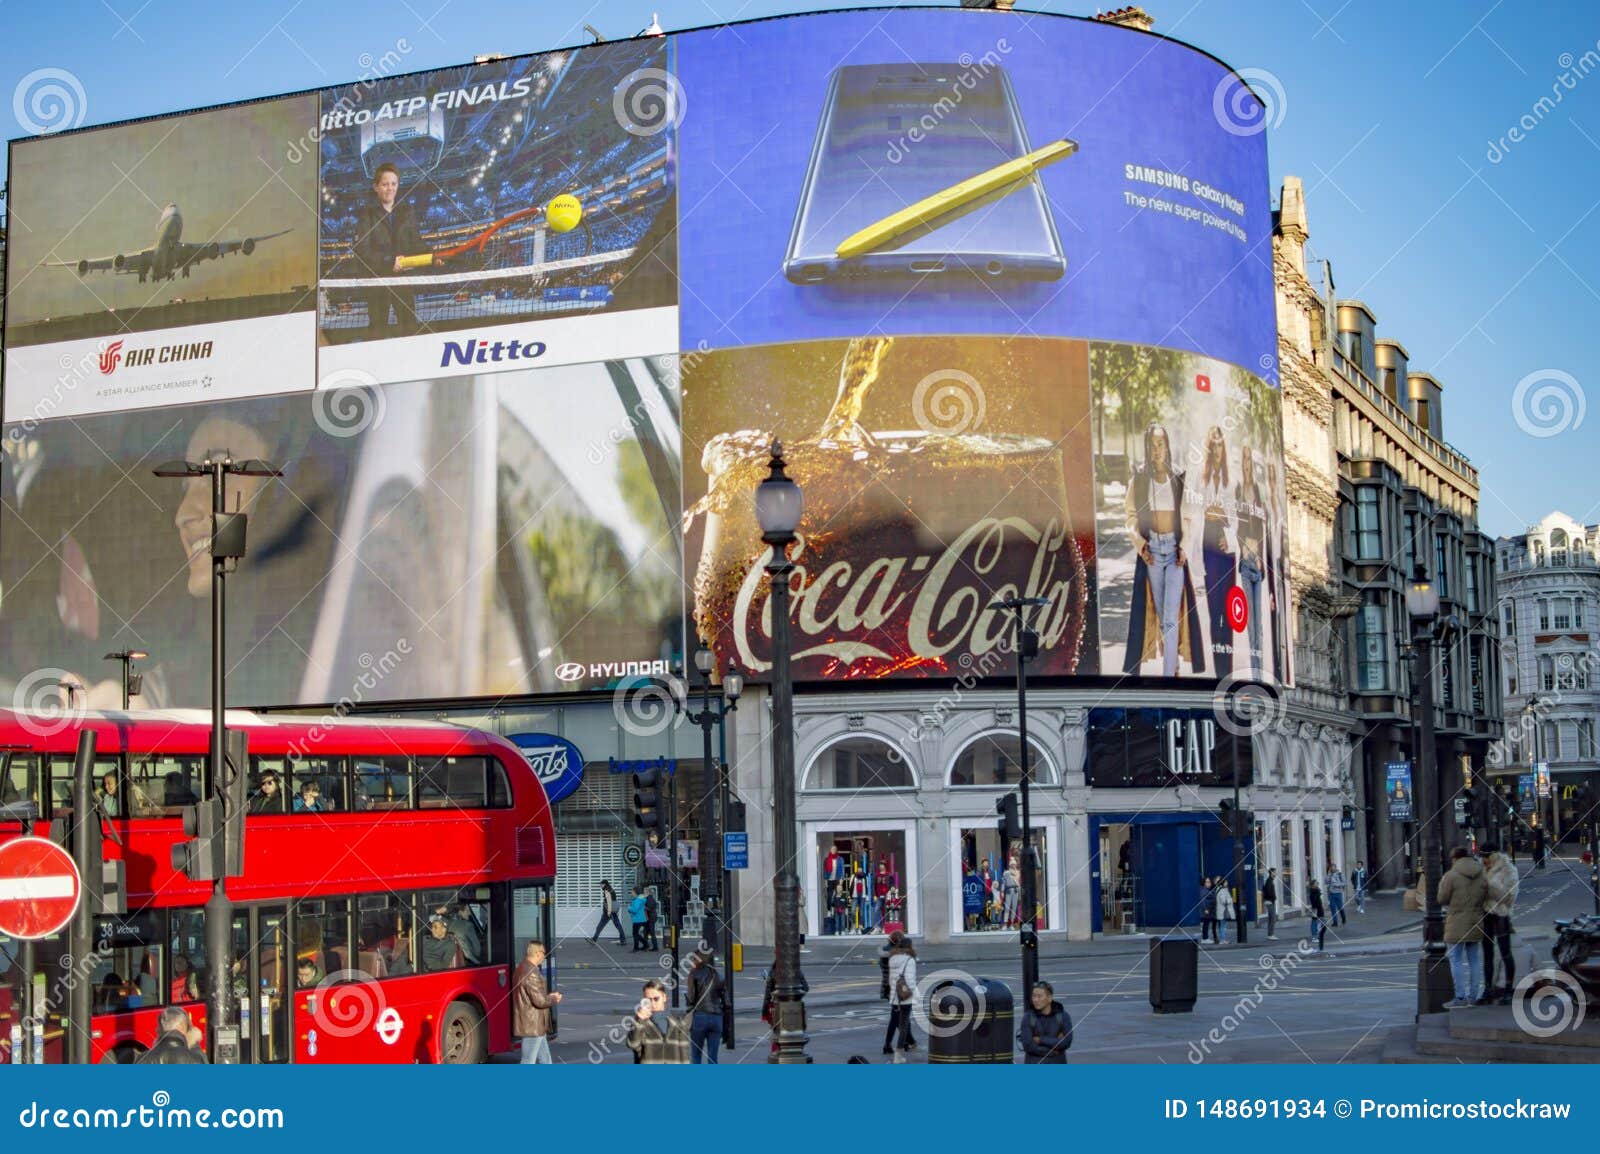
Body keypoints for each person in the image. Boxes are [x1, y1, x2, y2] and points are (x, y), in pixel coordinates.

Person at [1123, 422, 1205, 677]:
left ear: (1167, 446)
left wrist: (1184, 547)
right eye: (1152, 444)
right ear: (1147, 448)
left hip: (1174, 552)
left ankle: (1169, 676)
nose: (1157, 449)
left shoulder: (1179, 478)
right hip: (1152, 554)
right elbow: (1130, 516)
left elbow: (1190, 517)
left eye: (1161, 443)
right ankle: (1175, 666)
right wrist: (1140, 543)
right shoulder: (1138, 479)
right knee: (1160, 614)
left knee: (1171, 616)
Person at [352, 161, 429, 338]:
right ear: (376, 187)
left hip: (403, 282)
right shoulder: (367, 215)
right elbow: (361, 250)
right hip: (378, 284)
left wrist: (433, 256)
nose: (390, 188)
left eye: (393, 184)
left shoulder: (407, 211)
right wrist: (389, 261)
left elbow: (416, 242)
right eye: (385, 184)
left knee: (410, 328)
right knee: (377, 331)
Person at [1197, 425, 1238, 678]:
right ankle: (1218, 670)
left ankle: (1229, 670)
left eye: (1220, 444)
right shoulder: (1201, 479)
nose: (1217, 449)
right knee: (1214, 610)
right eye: (1213, 445)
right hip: (1207, 545)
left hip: (1225, 546)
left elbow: (1235, 515)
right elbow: (1198, 511)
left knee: (1227, 611)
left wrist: (1229, 538)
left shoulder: (1230, 481)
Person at [1232, 443, 1268, 677]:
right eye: (1243, 461)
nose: (1246, 466)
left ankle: (1260, 672)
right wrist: (1243, 551)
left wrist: (1262, 557)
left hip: (1258, 561)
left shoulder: (1257, 490)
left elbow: (1263, 526)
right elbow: (1235, 524)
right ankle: (1254, 674)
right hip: (1246, 562)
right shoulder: (1237, 490)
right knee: (1250, 621)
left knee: (1260, 623)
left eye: (1249, 462)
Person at [1438, 847, 1488, 1007]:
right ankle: (1473, 996)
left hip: (1456, 922)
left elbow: (1442, 898)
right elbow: (1486, 894)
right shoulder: (1481, 874)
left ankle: (1460, 997)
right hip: (1476, 920)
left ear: (1454, 859)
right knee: (1474, 959)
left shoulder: (1451, 875)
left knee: (1456, 959)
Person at [1480, 844, 1519, 1004]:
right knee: (1487, 955)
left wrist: (1490, 886)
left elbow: (1509, 897)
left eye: (1486, 856)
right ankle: (1488, 990)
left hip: (1501, 914)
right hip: (1485, 913)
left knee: (1505, 953)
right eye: (1481, 856)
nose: (1483, 860)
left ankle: (1509, 991)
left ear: (1494, 855)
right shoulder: (1482, 869)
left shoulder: (1509, 869)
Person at [513, 941, 561, 1064]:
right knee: (528, 1060)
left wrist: (549, 996)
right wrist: (554, 999)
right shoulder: (530, 972)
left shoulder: (522, 967)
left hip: (536, 1025)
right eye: (543, 953)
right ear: (537, 953)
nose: (544, 956)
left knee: (545, 1059)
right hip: (532, 1025)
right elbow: (540, 1001)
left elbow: (534, 996)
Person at [627, 979, 690, 1064]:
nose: (652, 1003)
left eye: (656, 999)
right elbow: (633, 1044)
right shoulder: (641, 1023)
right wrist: (638, 1019)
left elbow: (684, 1057)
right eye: (648, 1000)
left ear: (664, 997)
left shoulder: (678, 1024)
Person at [1017, 980, 1072, 1064]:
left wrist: (1040, 1040)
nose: (1035, 999)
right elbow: (1028, 1046)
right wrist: (1055, 1049)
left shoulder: (1063, 1016)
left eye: (1039, 996)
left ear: (1049, 998)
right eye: (1034, 996)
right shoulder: (1028, 1017)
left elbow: (1066, 1042)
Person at [685, 949, 725, 1064]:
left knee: (696, 1056)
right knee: (713, 1058)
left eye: (693, 959)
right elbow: (727, 1001)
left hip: (700, 1017)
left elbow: (691, 999)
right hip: (717, 1017)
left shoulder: (694, 974)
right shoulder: (719, 975)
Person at [883, 930, 917, 1060]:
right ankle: (898, 1054)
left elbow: (892, 980)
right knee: (904, 1026)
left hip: (894, 996)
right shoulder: (910, 960)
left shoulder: (892, 958)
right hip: (905, 996)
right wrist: (913, 994)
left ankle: (891, 1046)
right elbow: (910, 981)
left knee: (896, 1021)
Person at [138, 1007, 207, 1064]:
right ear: (182, 1027)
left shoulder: (142, 1058)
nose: (156, 1030)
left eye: (158, 1026)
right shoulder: (196, 1057)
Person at [590, 880, 626, 946]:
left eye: (601, 884)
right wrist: (616, 911)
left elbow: (609, 901)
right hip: (612, 911)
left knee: (600, 926)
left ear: (605, 884)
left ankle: (594, 940)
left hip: (608, 912)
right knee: (618, 925)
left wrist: (609, 912)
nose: (600, 885)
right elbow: (615, 901)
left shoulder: (606, 890)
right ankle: (623, 940)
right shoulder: (611, 889)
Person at [1306, 879, 1327, 952]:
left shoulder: (1316, 890)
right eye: (1316, 883)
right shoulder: (1313, 891)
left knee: (1319, 921)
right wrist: (1319, 894)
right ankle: (1315, 936)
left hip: (1318, 908)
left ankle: (1317, 935)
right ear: (1313, 885)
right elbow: (1314, 901)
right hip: (1316, 908)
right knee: (1316, 922)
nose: (1317, 884)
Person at [1214, 879, 1236, 945]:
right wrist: (1230, 899)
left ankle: (1222, 939)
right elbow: (1224, 901)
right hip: (1223, 911)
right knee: (1223, 926)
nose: (1227, 883)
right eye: (1226, 882)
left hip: (1222, 911)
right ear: (1223, 883)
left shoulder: (1220, 890)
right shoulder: (1223, 891)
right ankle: (1222, 940)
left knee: (1222, 926)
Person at [1198, 877, 1218, 945]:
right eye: (1207, 882)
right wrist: (1205, 909)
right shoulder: (1203, 890)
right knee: (1205, 925)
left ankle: (1205, 938)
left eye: (1209, 882)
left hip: (1209, 910)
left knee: (1206, 924)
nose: (1209, 883)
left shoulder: (1206, 890)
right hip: (1206, 911)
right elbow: (1202, 901)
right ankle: (1205, 938)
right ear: (1203, 883)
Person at [1262, 868, 1279, 940]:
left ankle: (1270, 934)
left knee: (1271, 918)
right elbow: (1268, 892)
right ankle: (1271, 934)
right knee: (1272, 918)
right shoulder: (1269, 881)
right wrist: (1273, 898)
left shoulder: (1269, 881)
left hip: (1270, 901)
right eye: (1275, 872)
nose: (1276, 874)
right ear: (1271, 873)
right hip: (1270, 901)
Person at [630, 886, 648, 951]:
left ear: (635, 892)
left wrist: (629, 908)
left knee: (635, 934)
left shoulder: (637, 900)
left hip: (637, 919)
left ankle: (637, 948)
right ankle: (645, 945)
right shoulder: (641, 899)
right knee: (636, 934)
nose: (631, 893)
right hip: (642, 919)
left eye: (632, 892)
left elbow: (635, 910)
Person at [643, 887, 659, 952]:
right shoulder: (649, 898)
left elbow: (649, 908)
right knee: (646, 932)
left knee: (651, 932)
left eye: (644, 892)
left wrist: (644, 907)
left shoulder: (649, 899)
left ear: (648, 892)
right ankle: (647, 946)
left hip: (651, 917)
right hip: (650, 917)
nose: (644, 893)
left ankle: (655, 947)